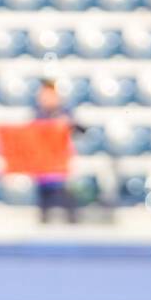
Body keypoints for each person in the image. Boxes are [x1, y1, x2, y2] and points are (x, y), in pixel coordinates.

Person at [32, 79, 86, 224]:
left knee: (65, 192)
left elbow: (81, 131)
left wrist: (68, 123)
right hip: (43, 161)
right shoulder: (37, 114)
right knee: (44, 194)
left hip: (61, 160)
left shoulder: (65, 113)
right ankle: (43, 221)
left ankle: (72, 221)